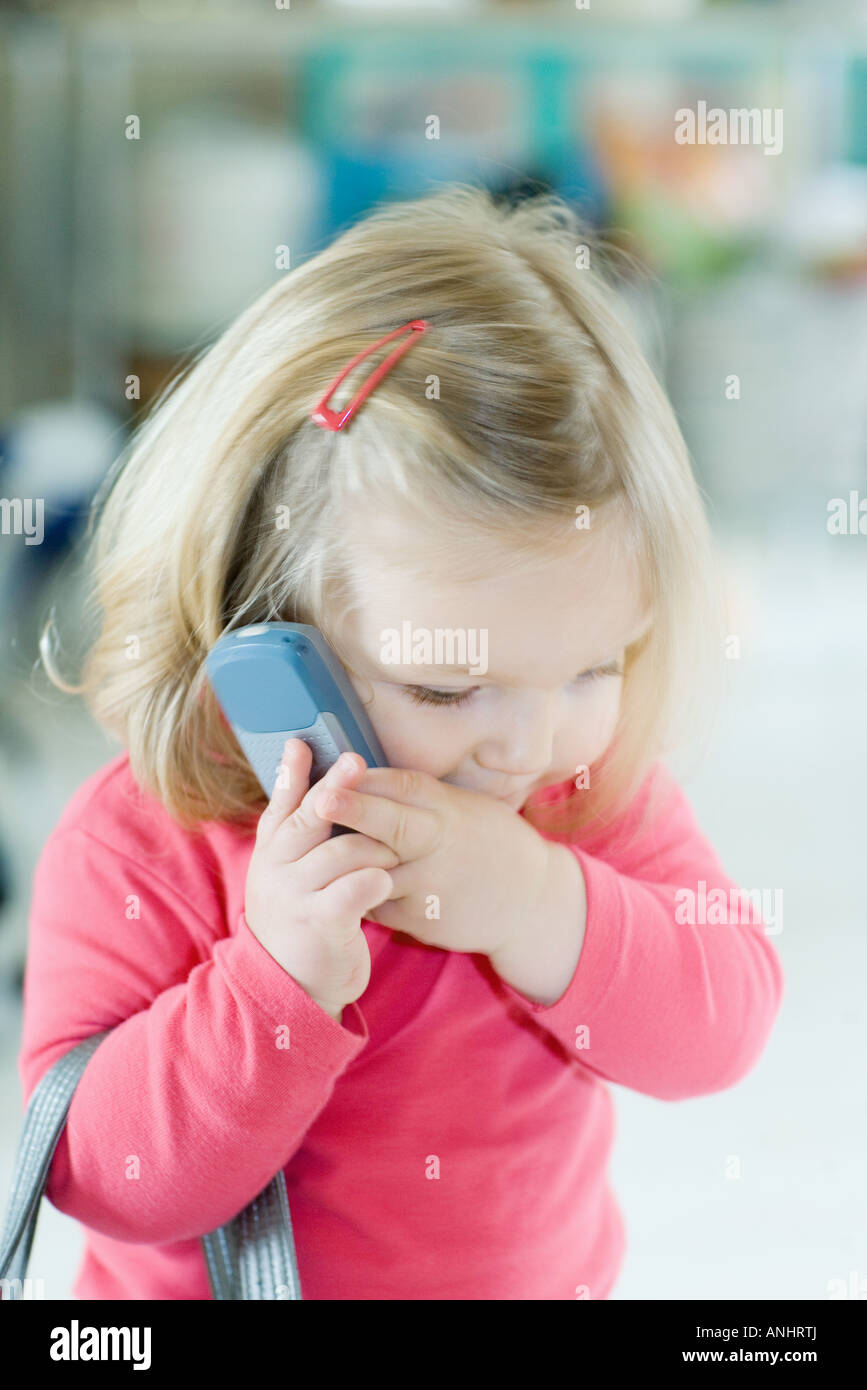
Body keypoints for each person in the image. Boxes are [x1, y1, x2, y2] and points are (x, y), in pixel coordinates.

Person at [19, 183, 784, 1300]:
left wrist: (539, 905)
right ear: (264, 616)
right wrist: (275, 983)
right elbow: (99, 1180)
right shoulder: (146, 843)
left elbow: (723, 1027)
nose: (525, 745)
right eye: (447, 685)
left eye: (593, 667)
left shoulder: (583, 794)